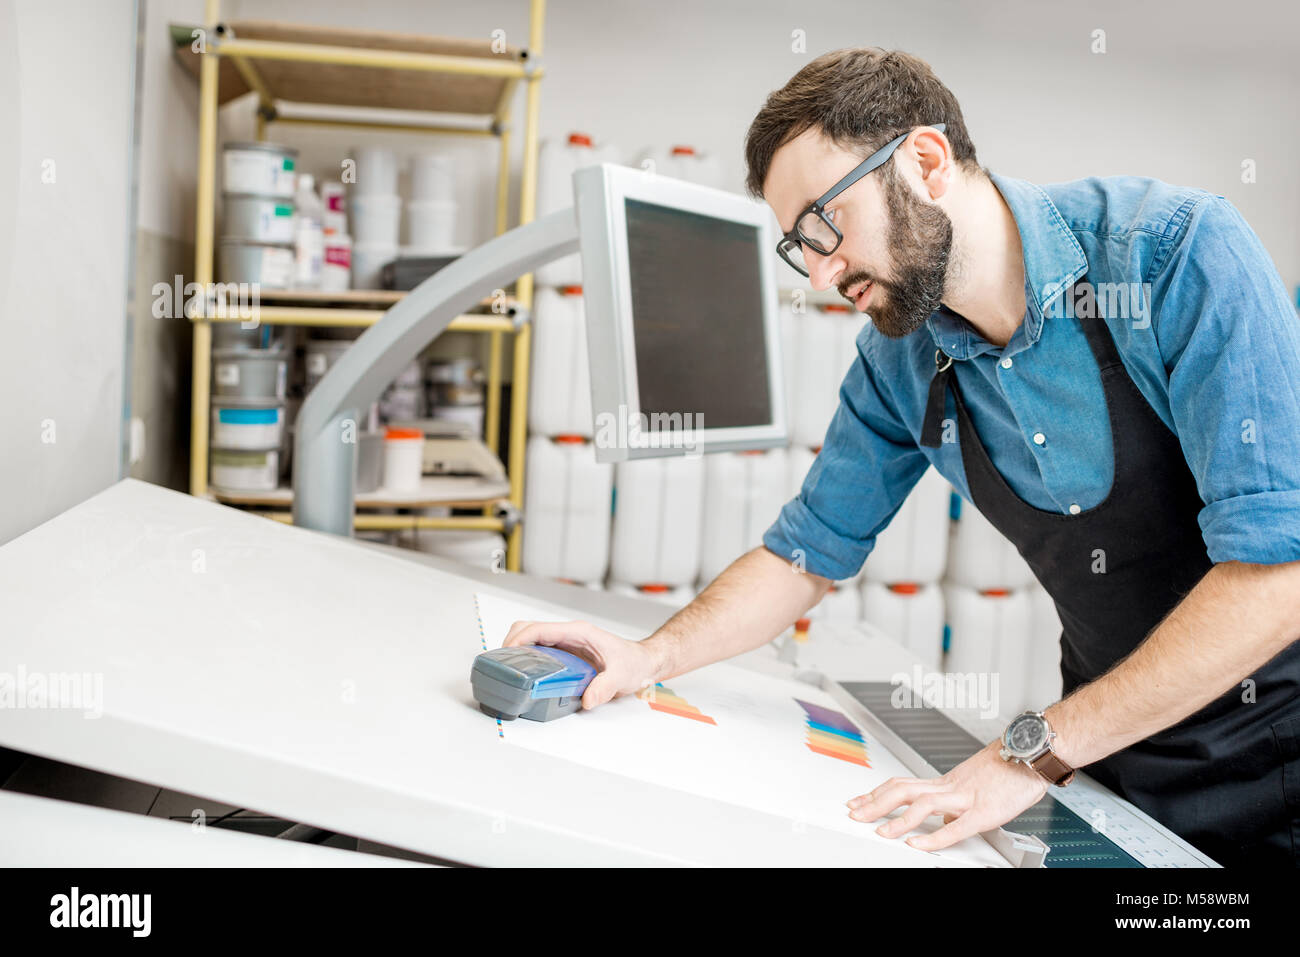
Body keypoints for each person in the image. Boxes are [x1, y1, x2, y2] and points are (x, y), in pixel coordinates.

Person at [506, 48, 1300, 867]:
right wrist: (650, 656)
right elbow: (804, 552)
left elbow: (1279, 575)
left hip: (1278, 761)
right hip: (1110, 754)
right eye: (798, 247)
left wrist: (1029, 751)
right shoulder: (902, 359)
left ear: (924, 162)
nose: (820, 272)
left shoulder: (1171, 255)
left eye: (824, 225)